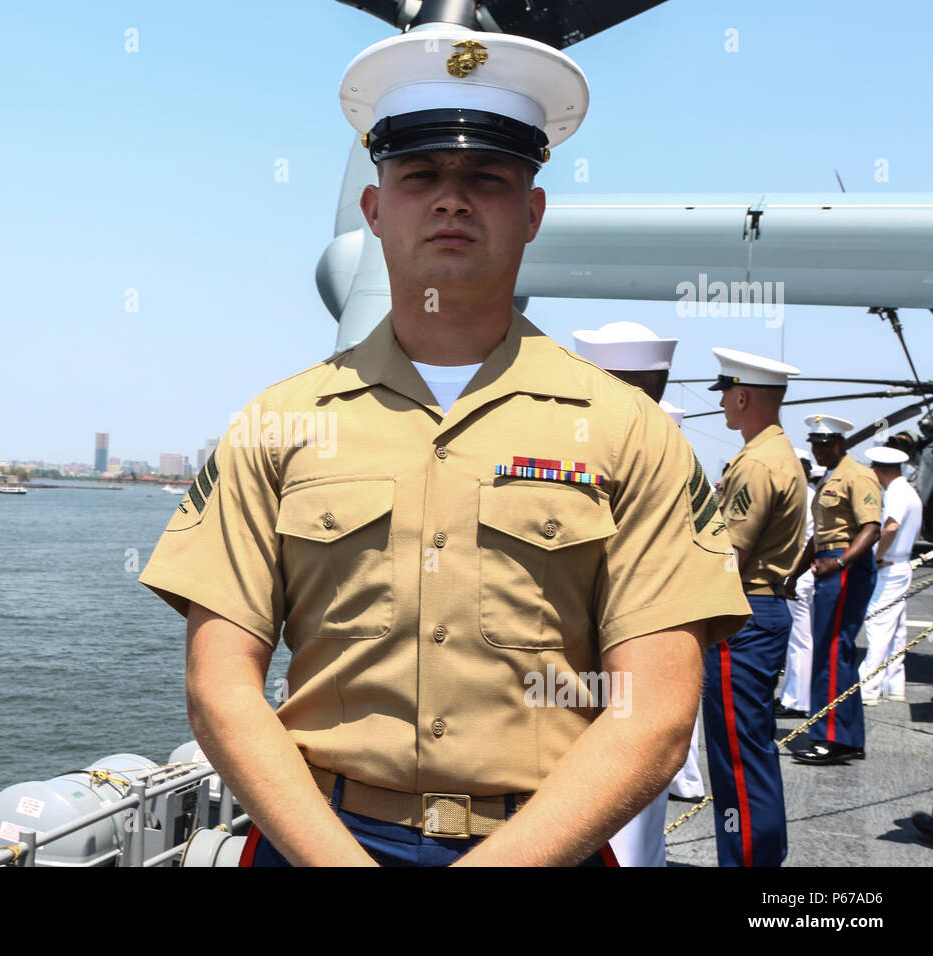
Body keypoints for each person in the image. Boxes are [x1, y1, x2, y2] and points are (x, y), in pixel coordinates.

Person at [139, 25, 750, 867]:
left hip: (542, 844)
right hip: (319, 842)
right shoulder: (277, 426)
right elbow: (220, 686)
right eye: (420, 175)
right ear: (375, 209)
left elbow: (654, 712)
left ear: (532, 213)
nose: (452, 200)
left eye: (488, 178)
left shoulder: (630, 434)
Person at [572, 322, 701, 864]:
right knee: (640, 825)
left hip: (591, 669)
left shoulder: (596, 457)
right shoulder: (680, 458)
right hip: (652, 664)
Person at [702, 348, 807, 866]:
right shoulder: (777, 454)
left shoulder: (757, 464)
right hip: (761, 609)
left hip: (741, 616)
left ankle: (747, 861)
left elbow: (730, 555)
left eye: (725, 394)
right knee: (751, 749)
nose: (722, 403)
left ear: (742, 396)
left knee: (738, 759)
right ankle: (760, 856)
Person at [788, 415, 882, 765]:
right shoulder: (830, 476)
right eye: (815, 445)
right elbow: (819, 536)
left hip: (845, 567)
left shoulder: (857, 475)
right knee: (836, 652)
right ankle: (849, 737)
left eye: (826, 444)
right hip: (828, 562)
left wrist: (840, 564)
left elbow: (871, 528)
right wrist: (794, 575)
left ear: (841, 444)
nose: (819, 451)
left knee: (830, 652)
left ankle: (830, 737)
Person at [859, 445, 923, 705]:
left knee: (878, 626)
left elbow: (892, 526)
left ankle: (868, 687)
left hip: (889, 566)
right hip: (902, 564)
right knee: (896, 629)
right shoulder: (910, 491)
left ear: (877, 471)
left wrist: (876, 557)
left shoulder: (896, 492)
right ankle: (893, 683)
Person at [778, 449, 820, 718]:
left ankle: (796, 700)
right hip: (804, 574)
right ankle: (794, 696)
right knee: (802, 639)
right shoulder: (811, 495)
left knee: (799, 641)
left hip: (796, 574)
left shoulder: (799, 496)